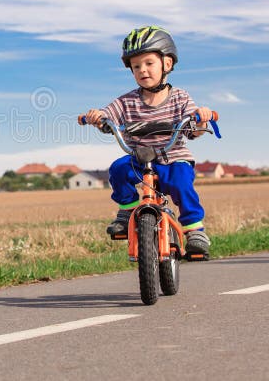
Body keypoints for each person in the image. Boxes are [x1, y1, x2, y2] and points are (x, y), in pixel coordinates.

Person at [78, 25, 214, 256]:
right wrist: (98, 117)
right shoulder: (126, 101)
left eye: (149, 63)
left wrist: (202, 119)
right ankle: (128, 212)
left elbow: (194, 130)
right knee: (118, 169)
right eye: (136, 66)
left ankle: (194, 231)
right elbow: (108, 114)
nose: (142, 70)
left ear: (167, 64)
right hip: (139, 159)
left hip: (173, 158)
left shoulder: (180, 97)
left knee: (182, 184)